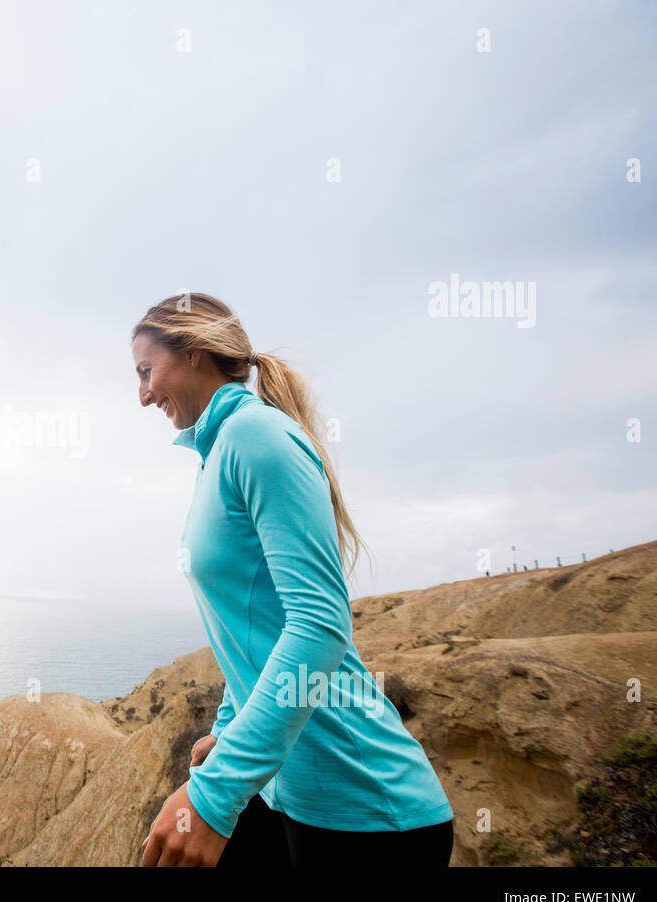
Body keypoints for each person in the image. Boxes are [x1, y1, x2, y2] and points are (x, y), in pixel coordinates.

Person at [133, 293, 454, 868]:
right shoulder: (219, 453)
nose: (143, 394)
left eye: (146, 371)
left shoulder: (256, 438)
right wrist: (229, 734)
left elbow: (319, 628)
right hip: (296, 799)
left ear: (194, 353)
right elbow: (255, 628)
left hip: (367, 812)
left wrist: (215, 793)